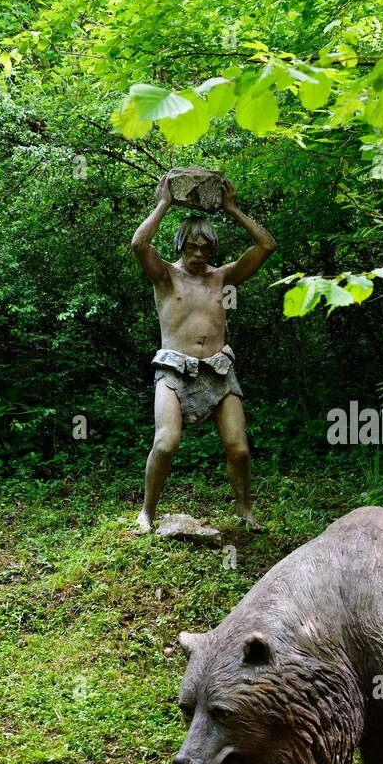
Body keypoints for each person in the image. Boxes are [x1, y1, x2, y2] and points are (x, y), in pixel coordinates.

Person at [130, 172, 276, 531]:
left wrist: (232, 209)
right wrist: (164, 202)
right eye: (191, 247)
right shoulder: (165, 276)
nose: (198, 254)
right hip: (174, 369)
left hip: (218, 370)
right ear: (180, 245)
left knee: (239, 448)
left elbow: (266, 246)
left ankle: (245, 510)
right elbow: (138, 246)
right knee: (165, 443)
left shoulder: (221, 278)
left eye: (205, 249)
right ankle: (147, 511)